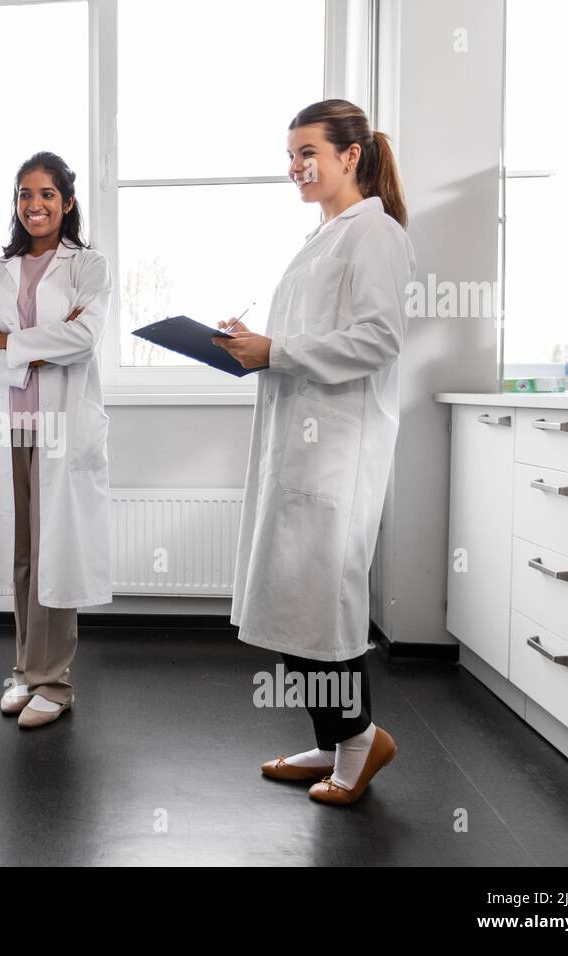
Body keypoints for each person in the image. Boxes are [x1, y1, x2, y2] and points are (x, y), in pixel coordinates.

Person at [215, 100, 416, 805]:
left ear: (350, 156)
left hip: (337, 450)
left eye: (308, 152)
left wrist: (280, 349)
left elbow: (380, 339)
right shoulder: (323, 238)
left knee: (323, 600)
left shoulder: (376, 235)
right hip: (297, 442)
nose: (295, 166)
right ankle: (333, 740)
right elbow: (309, 338)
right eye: (291, 154)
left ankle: (360, 740)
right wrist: (255, 346)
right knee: (293, 598)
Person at [0, 151, 113, 729]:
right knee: (21, 552)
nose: (35, 205)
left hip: (60, 430)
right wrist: (40, 342)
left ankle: (54, 680)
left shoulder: (88, 267)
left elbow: (84, 338)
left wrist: (10, 342)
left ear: (67, 202)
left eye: (47, 194)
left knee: (55, 551)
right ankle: (25, 670)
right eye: (25, 194)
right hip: (7, 427)